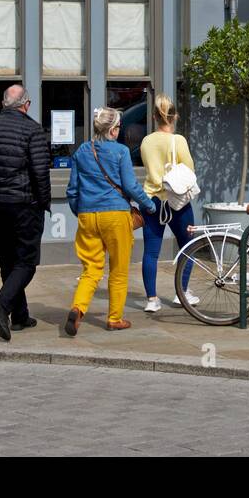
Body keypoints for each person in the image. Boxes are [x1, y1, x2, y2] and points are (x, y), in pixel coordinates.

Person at [0, 84, 50, 341]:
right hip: (25, 204)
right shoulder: (33, 130)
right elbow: (40, 173)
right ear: (25, 104)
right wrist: (43, 202)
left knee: (8, 260)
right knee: (26, 262)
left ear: (4, 103)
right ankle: (2, 306)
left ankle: (20, 315)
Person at [64, 106, 156, 334]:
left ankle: (78, 307)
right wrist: (149, 204)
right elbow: (130, 185)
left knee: (91, 269)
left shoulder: (82, 151)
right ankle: (114, 318)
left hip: (88, 215)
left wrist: (81, 212)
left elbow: (72, 190)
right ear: (114, 130)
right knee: (118, 269)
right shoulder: (121, 152)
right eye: (118, 127)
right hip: (115, 215)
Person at [139, 93, 198, 312]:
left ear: (155, 117)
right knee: (188, 246)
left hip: (151, 200)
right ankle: (181, 293)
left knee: (151, 252)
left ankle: (152, 299)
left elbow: (147, 166)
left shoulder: (146, 141)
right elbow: (189, 169)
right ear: (174, 117)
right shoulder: (178, 140)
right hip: (177, 202)